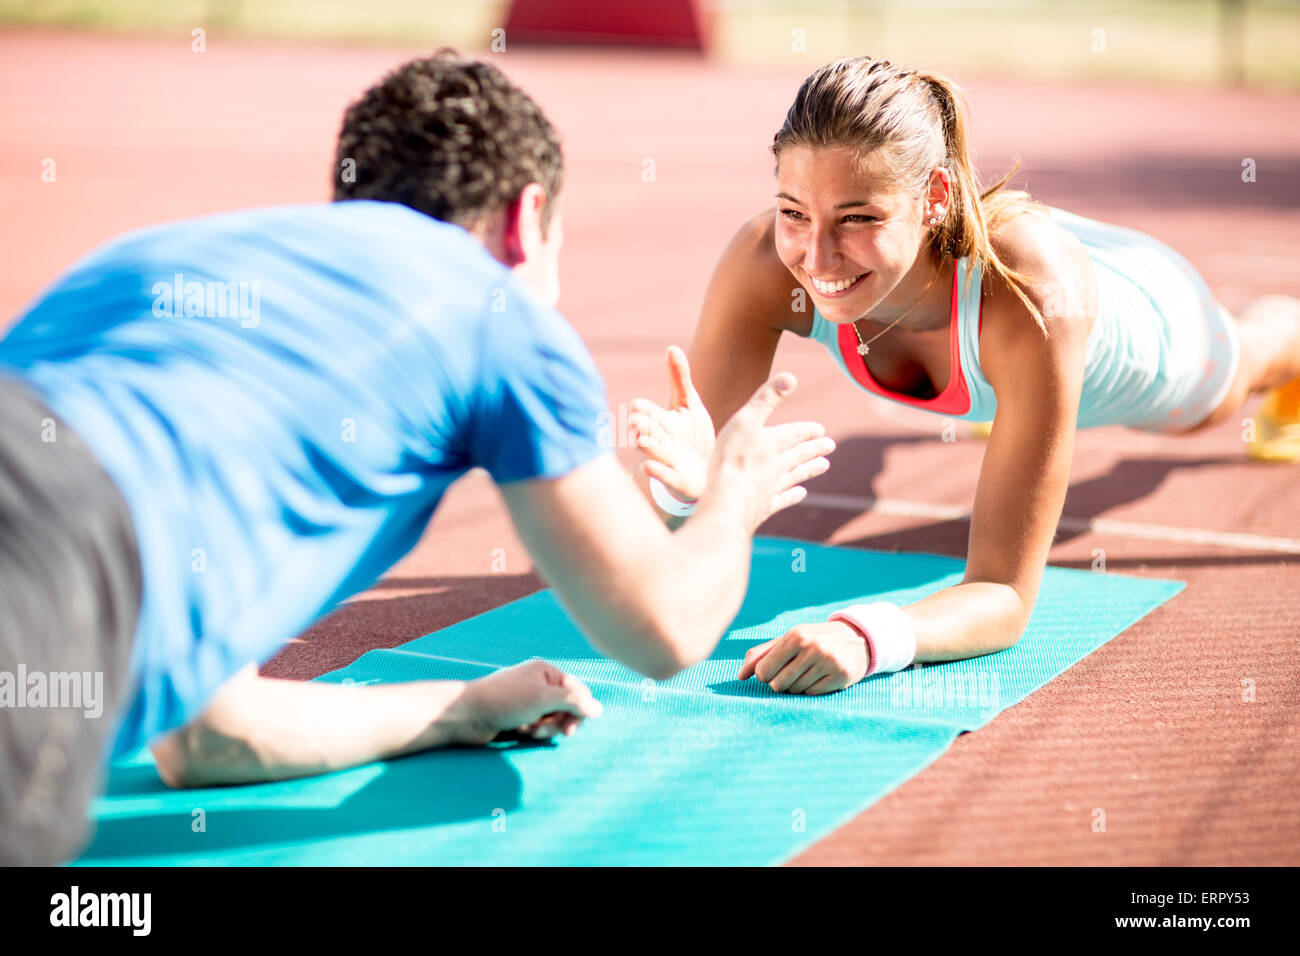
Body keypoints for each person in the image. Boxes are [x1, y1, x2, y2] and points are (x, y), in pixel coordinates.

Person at [0, 52, 835, 865]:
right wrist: (733, 493)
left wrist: (461, 708)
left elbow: (212, 738)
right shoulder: (499, 310)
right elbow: (665, 628)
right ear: (524, 221)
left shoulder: (150, 261)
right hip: (61, 551)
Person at [628, 55, 1300, 697]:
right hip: (1001, 292)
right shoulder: (766, 263)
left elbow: (1004, 593)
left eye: (858, 218)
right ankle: (1006, 396)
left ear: (937, 196)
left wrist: (869, 638)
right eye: (794, 212)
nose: (818, 255)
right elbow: (674, 537)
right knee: (1002, 383)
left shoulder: (1028, 296)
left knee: (1239, 373)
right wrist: (688, 499)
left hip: (1155, 319)